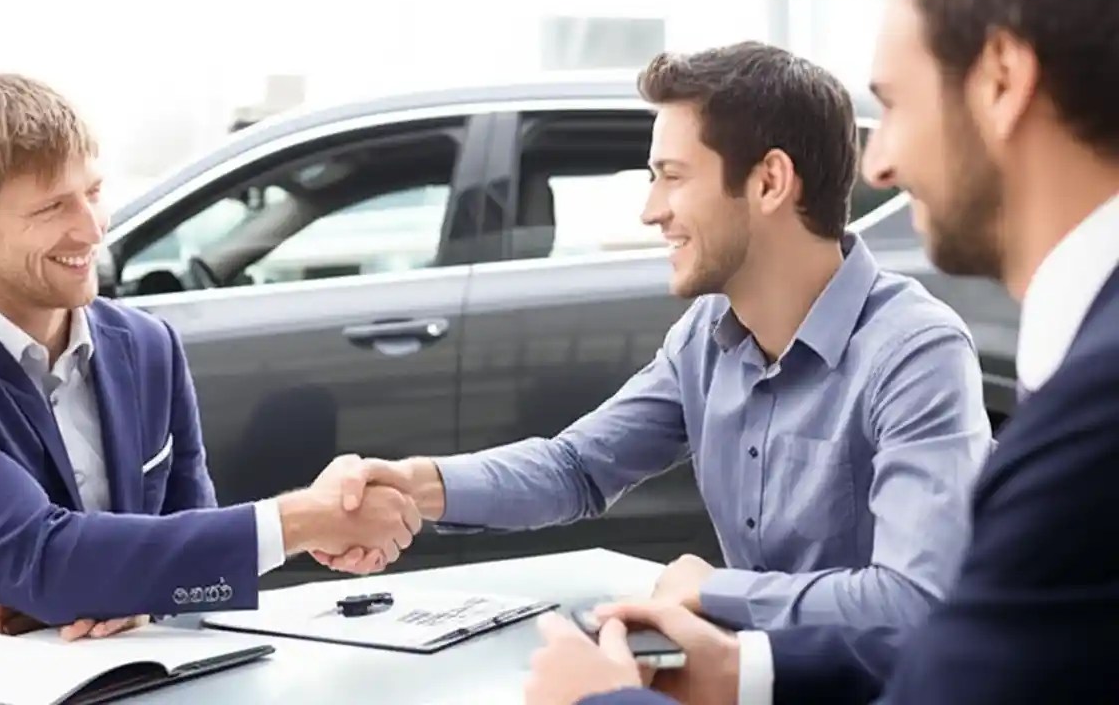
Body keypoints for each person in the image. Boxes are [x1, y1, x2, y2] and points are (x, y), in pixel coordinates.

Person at [523, 0, 1119, 702]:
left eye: (893, 105)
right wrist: (740, 672)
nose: (878, 167)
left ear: (1001, 80)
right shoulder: (1080, 374)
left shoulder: (1090, 406)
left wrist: (601, 699)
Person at [318, 42, 992, 640]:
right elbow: (577, 469)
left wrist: (710, 591)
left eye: (672, 176)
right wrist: (417, 484)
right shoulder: (705, 337)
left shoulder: (915, 353)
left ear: (769, 182)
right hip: (754, 680)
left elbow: (913, 600)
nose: (650, 210)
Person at [0, 74, 421, 644]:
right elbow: (41, 559)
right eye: (52, 208)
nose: (92, 229)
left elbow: (188, 561)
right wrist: (306, 519)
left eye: (93, 192)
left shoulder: (148, 347)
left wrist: (129, 592)